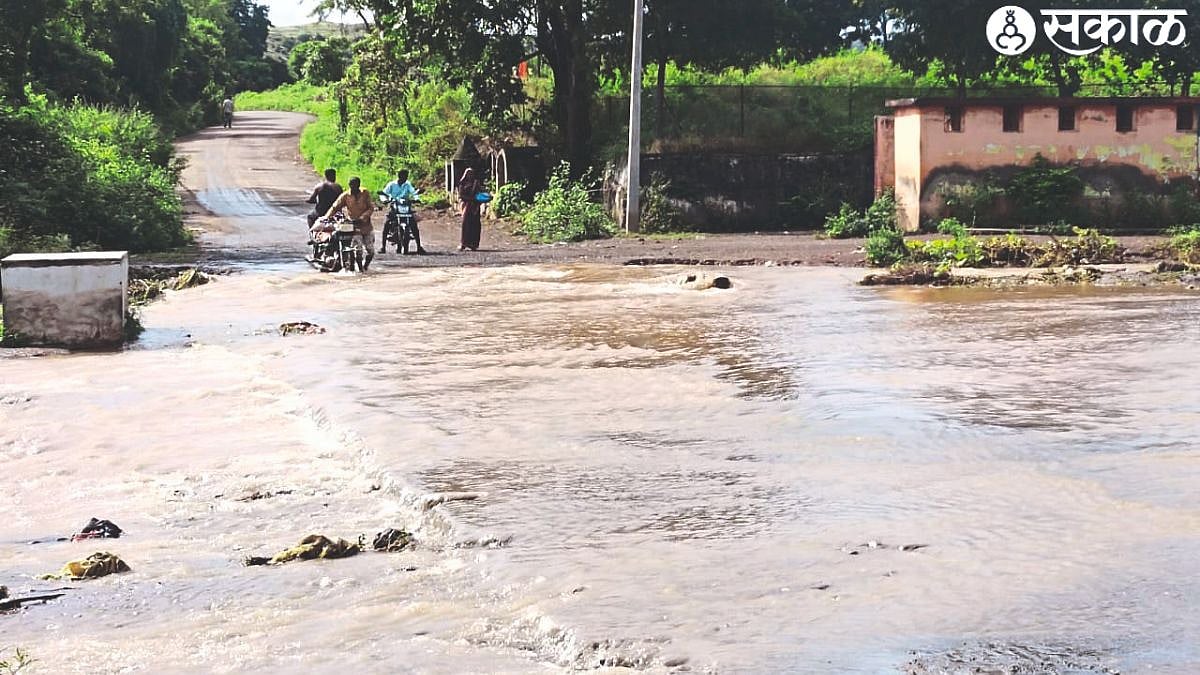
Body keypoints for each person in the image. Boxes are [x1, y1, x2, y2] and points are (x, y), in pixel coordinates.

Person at [325, 177, 376, 270]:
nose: (353, 187)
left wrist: (363, 217)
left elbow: (371, 208)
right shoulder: (345, 196)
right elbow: (335, 207)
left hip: (366, 226)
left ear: (359, 185)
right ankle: (360, 269)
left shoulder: (365, 193)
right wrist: (326, 217)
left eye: (355, 185)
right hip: (353, 227)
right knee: (358, 250)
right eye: (351, 185)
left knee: (371, 251)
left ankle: (366, 266)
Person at [380, 169, 426, 255]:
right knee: (387, 223)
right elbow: (384, 193)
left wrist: (417, 199)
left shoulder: (407, 184)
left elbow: (413, 192)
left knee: (414, 225)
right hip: (394, 206)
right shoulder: (391, 184)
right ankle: (383, 247)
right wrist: (385, 200)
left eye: (406, 177)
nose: (405, 178)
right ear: (399, 176)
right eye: (403, 176)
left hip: (405, 207)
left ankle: (419, 246)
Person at [457, 167, 483, 252]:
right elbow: (461, 195)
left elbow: (479, 193)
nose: (470, 175)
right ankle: (464, 243)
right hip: (467, 205)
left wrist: (479, 200)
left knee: (475, 225)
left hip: (475, 206)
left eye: (471, 174)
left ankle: (473, 244)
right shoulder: (462, 184)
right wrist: (470, 199)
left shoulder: (476, 183)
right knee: (466, 224)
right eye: (468, 174)